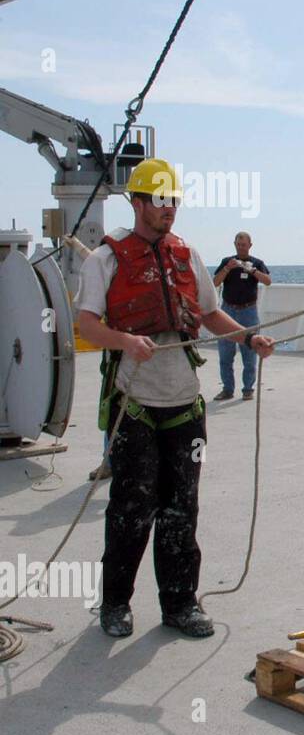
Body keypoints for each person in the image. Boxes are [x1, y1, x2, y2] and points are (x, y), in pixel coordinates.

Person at [75, 158, 275, 639]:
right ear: (138, 202)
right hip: (135, 403)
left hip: (184, 403)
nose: (169, 210)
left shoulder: (187, 256)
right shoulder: (104, 260)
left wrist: (249, 339)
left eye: (174, 202)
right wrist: (125, 342)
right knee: (130, 506)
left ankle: (180, 603)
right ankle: (116, 604)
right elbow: (85, 326)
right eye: (160, 201)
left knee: (182, 507)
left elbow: (208, 314)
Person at [212, 231, 272, 401]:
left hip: (248, 311)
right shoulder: (227, 261)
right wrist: (227, 268)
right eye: (238, 244)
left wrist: (252, 270)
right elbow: (215, 282)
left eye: (244, 244)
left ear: (250, 245)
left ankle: (248, 389)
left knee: (249, 353)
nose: (241, 247)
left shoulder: (257, 263)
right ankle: (227, 389)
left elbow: (268, 281)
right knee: (225, 353)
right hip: (228, 310)